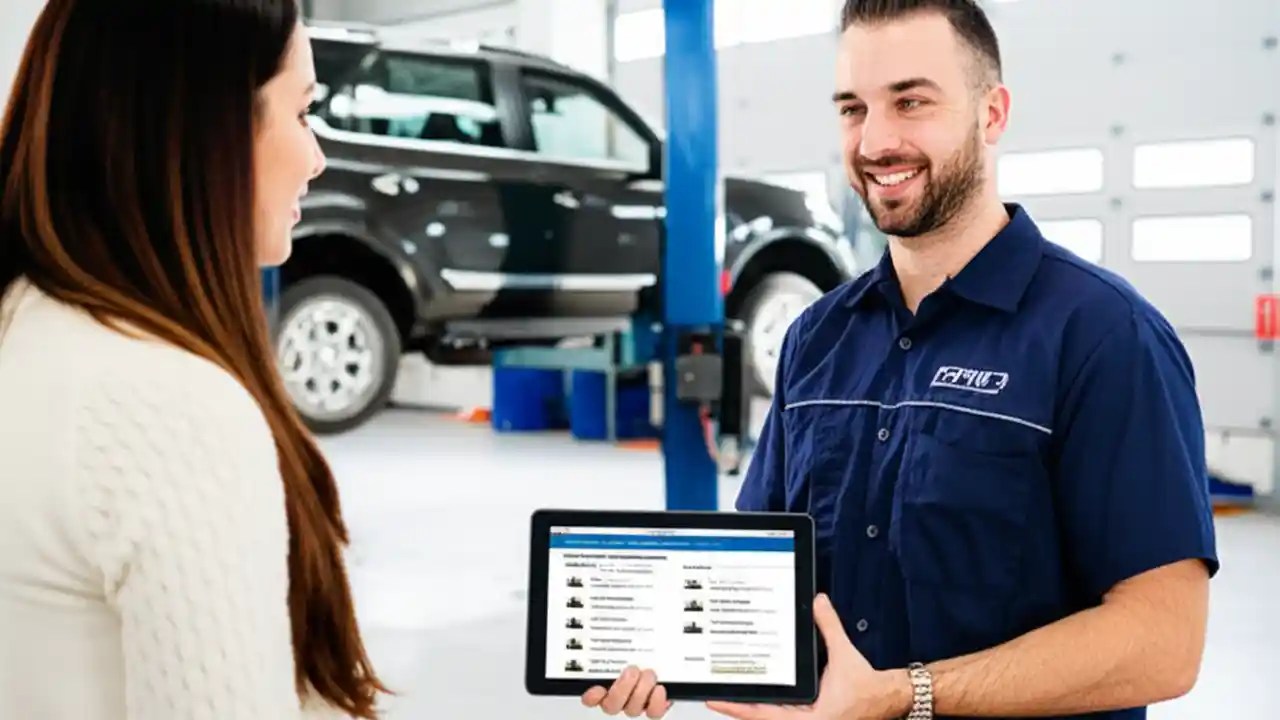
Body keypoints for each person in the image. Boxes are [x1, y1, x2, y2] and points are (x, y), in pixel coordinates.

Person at [592, 1, 1219, 719]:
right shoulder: (816, 338)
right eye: (853, 108)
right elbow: (761, 586)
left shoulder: (1105, 335)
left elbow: (1163, 641)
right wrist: (670, 648)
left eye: (911, 102)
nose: (877, 140)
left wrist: (905, 696)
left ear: (991, 115)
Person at [0, 1, 389, 718]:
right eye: (302, 114)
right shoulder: (162, 405)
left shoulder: (27, 331)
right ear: (205, 138)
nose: (316, 157)